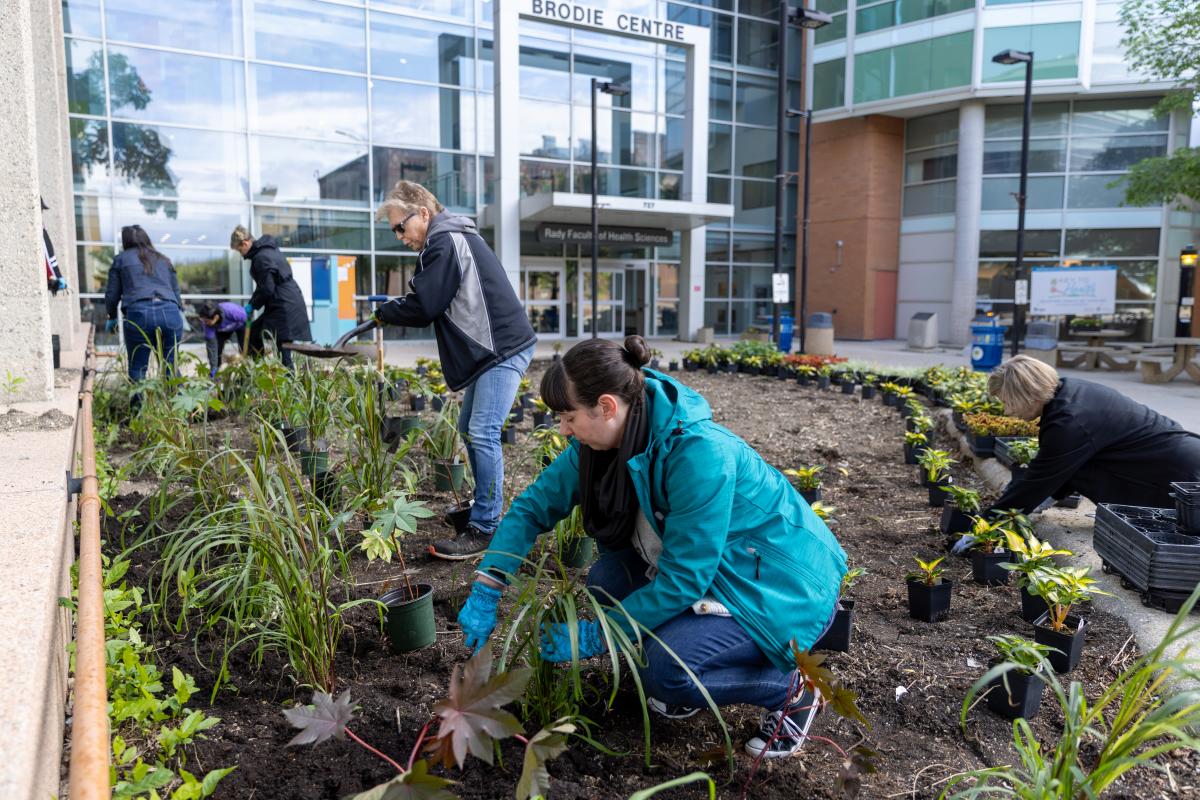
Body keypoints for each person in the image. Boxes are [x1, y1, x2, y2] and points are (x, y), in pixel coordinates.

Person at [456, 337, 848, 758]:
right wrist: (487, 585)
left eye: (569, 417)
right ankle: (695, 659)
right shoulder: (605, 442)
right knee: (608, 578)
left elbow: (685, 579)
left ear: (606, 406)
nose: (564, 430)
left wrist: (598, 635)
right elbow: (533, 507)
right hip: (720, 572)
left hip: (777, 587)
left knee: (664, 672)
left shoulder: (698, 454)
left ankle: (792, 691)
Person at [372, 181, 536, 559]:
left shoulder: (444, 242)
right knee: (469, 428)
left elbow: (425, 304)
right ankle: (484, 509)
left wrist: (386, 311)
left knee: (482, 431)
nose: (399, 236)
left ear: (424, 213)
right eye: (394, 230)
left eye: (401, 226)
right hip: (496, 349)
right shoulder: (448, 238)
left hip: (502, 348)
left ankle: (485, 527)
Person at [953, 355, 1200, 551]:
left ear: (1026, 394)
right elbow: (1069, 467)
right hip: (1176, 461)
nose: (1007, 412)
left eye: (1008, 401)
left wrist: (983, 527)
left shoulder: (1069, 421)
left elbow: (1038, 480)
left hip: (1180, 478)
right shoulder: (1069, 394)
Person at [104, 225, 185, 388]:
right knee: (171, 367)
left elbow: (112, 294)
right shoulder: (163, 259)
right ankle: (180, 411)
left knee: (137, 370)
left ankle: (138, 413)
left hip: (139, 315)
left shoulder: (121, 259)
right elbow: (176, 292)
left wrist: (111, 316)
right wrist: (179, 311)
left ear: (125, 241)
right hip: (170, 313)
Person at [229, 225, 312, 369]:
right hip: (286, 301)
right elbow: (265, 286)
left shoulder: (261, 257)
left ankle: (272, 374)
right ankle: (262, 371)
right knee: (258, 333)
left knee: (282, 348)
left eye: (239, 250)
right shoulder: (267, 251)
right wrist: (251, 304)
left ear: (245, 243)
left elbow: (267, 288)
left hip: (284, 306)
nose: (241, 254)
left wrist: (252, 306)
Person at [196, 300, 247, 379]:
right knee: (218, 349)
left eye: (206, 321)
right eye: (203, 321)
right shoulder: (208, 325)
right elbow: (212, 347)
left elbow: (248, 319)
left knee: (244, 348)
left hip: (240, 325)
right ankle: (217, 372)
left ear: (215, 317)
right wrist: (213, 367)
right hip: (222, 330)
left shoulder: (233, 311)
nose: (204, 323)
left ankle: (245, 371)